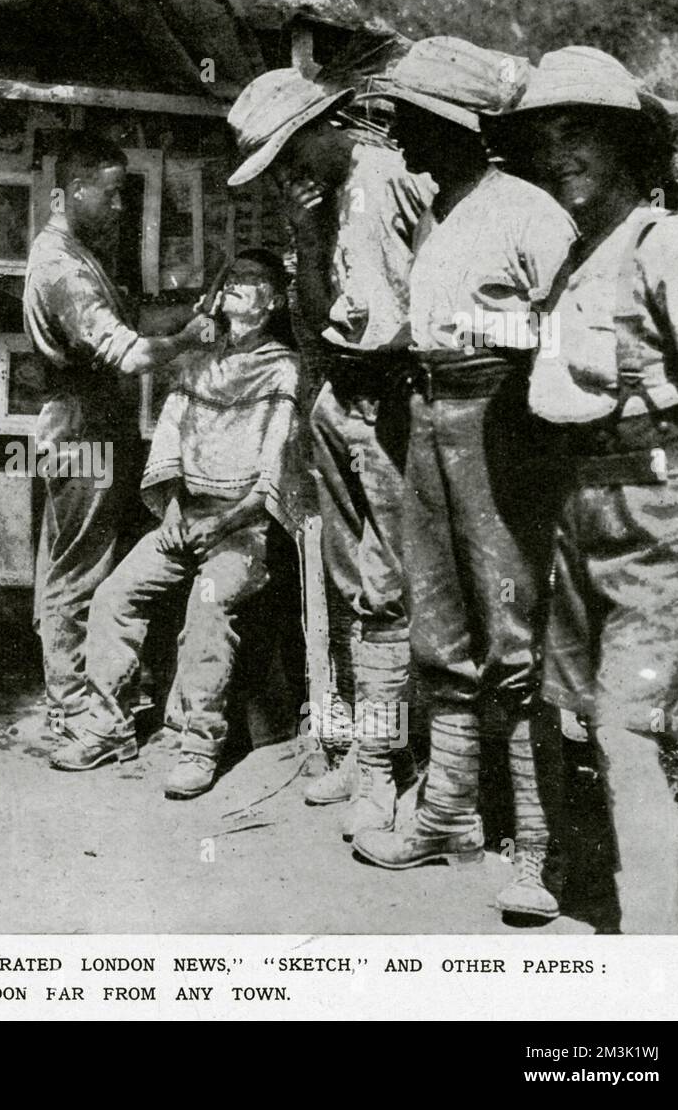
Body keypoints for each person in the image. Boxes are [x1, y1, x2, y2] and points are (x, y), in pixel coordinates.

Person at [350, 37, 578, 923]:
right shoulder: (440, 208)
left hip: (503, 427)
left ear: (458, 126)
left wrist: (500, 329)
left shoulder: (528, 211)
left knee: (512, 635)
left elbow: (577, 342)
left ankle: (536, 846)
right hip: (430, 417)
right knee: (439, 628)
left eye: (411, 121)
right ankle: (447, 812)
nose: (398, 139)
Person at [492, 48, 678, 932]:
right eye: (546, 136)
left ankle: (655, 953)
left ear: (628, 145)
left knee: (627, 732)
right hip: (582, 506)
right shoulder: (577, 259)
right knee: (570, 715)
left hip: (661, 512)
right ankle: (590, 882)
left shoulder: (668, 243)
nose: (560, 151)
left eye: (583, 132)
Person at [228, 69, 433, 840]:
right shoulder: (320, 197)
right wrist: (307, 239)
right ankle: (369, 747)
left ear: (321, 126)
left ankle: (386, 766)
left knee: (384, 592)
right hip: (339, 393)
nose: (286, 174)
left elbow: (403, 318)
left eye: (288, 154)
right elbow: (318, 319)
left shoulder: (388, 180)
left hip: (391, 396)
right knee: (353, 587)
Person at [50, 249, 301, 797]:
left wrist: (225, 522)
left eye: (252, 280)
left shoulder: (284, 367)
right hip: (184, 516)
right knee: (115, 594)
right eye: (229, 278)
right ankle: (107, 725)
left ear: (276, 300)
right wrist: (171, 512)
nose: (235, 286)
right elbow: (168, 444)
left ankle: (200, 742)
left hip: (243, 527)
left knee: (208, 602)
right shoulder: (198, 362)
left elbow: (275, 475)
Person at [23, 130, 213, 743]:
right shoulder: (61, 267)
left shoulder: (77, 256)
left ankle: (71, 699)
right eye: (109, 194)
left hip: (84, 423)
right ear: (72, 191)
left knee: (73, 563)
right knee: (80, 571)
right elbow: (129, 352)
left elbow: (129, 319)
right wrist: (191, 339)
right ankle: (73, 709)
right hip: (81, 430)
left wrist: (187, 308)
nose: (120, 206)